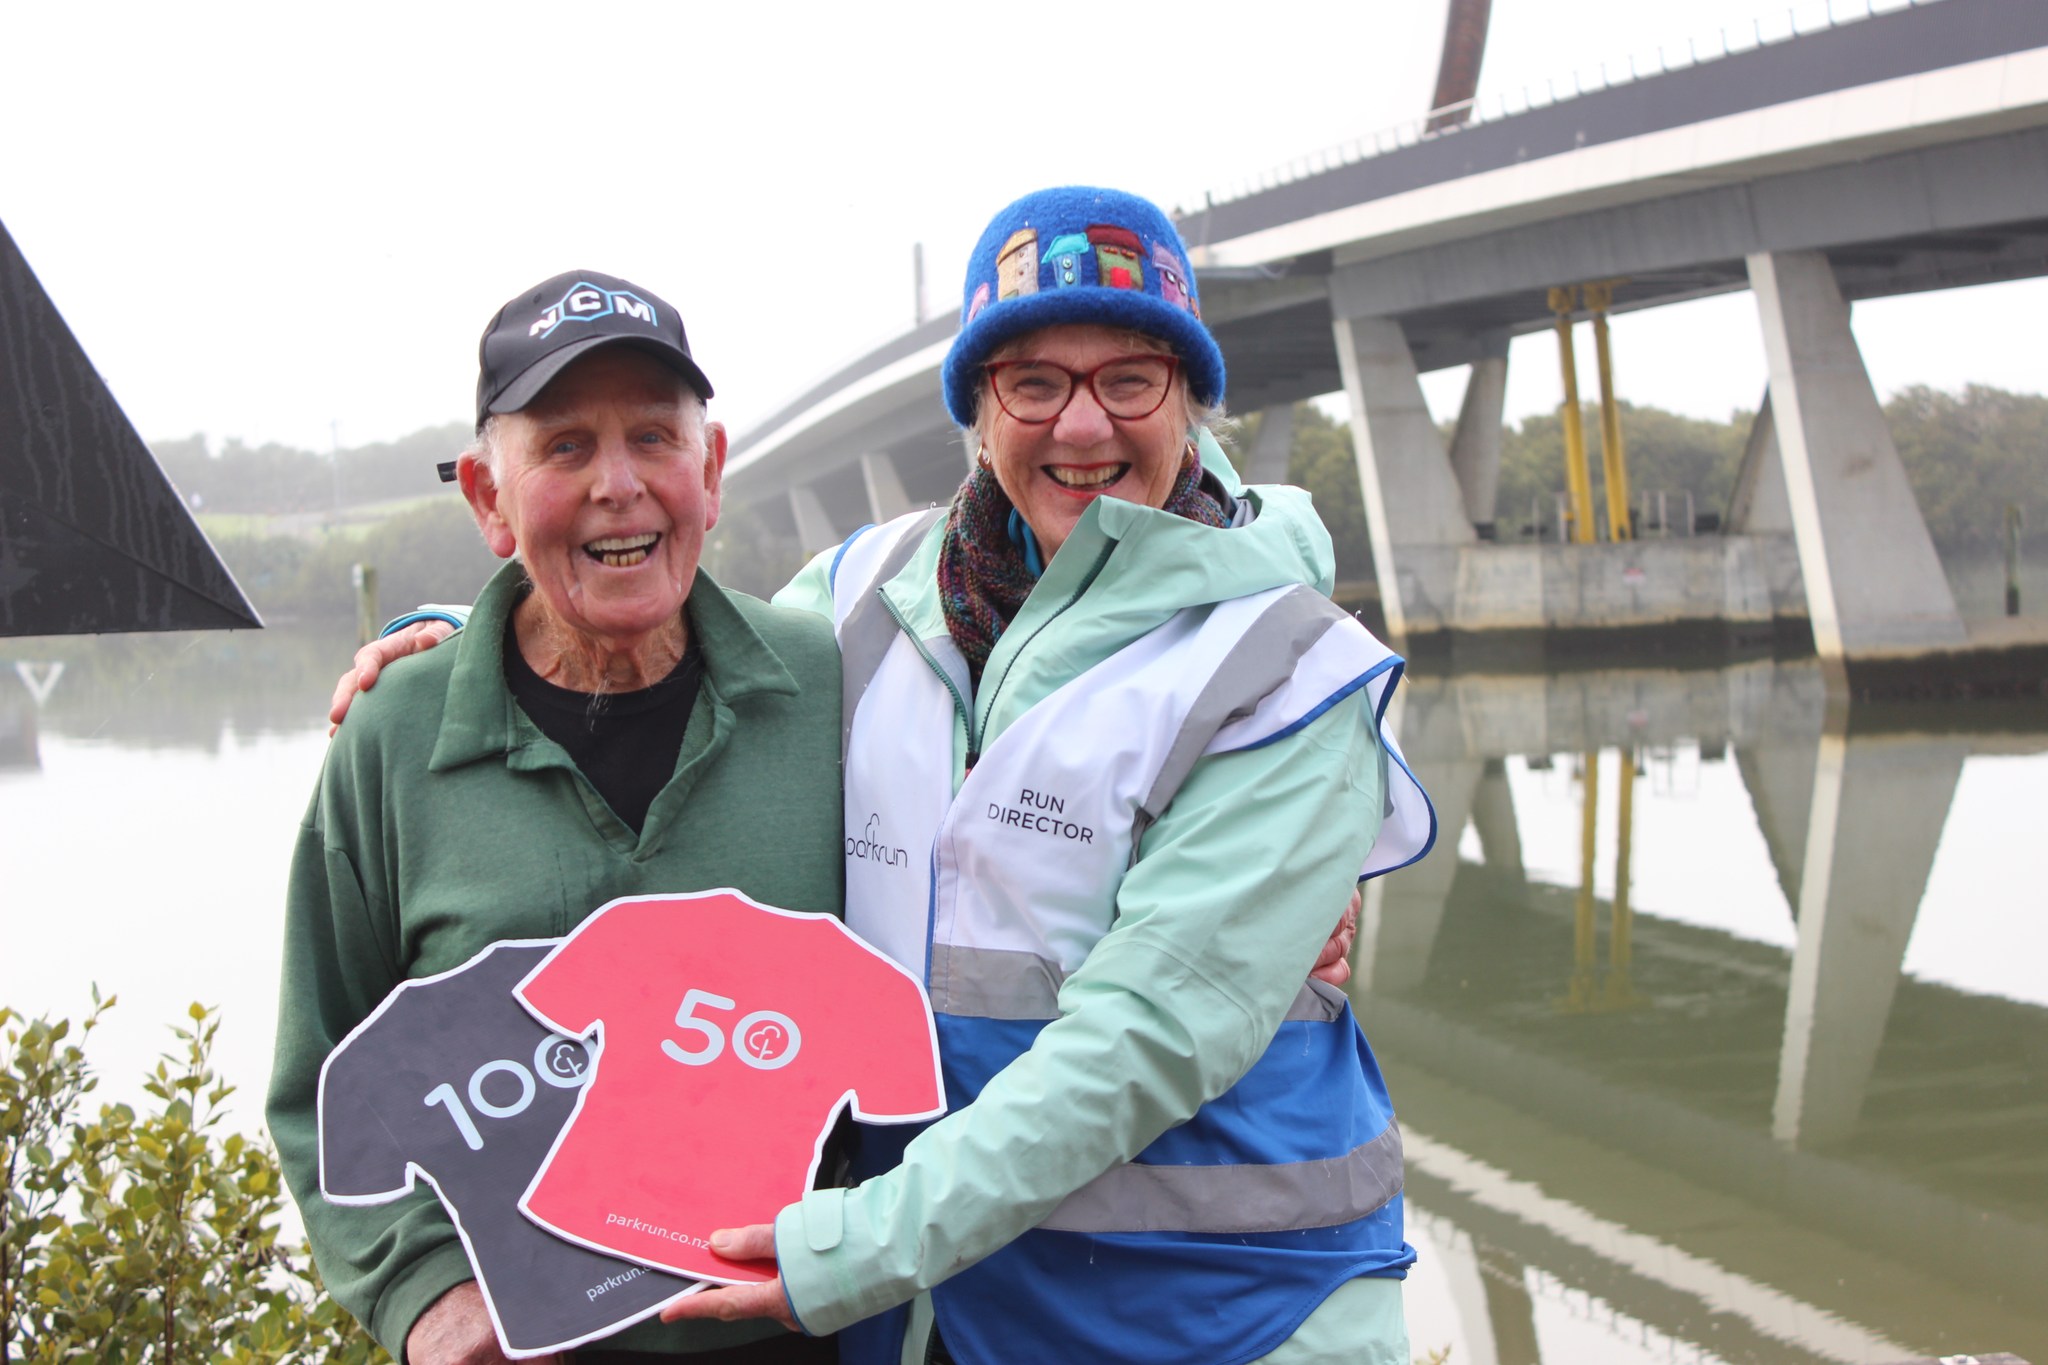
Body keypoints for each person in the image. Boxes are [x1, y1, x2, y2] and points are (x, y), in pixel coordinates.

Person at [339, 187, 1431, 1364]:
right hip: (941, 1314)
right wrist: (480, 640)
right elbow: (675, 654)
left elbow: (1145, 1039)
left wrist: (845, 1253)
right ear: (975, 408)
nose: (1081, 426)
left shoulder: (1286, 666)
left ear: (1189, 402)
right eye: (1032, 382)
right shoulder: (867, 592)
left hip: (1221, 1314)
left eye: (1130, 379)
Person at [267, 270, 849, 1364]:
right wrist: (422, 1295)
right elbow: (324, 1076)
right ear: (489, 498)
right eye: (567, 447)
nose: (618, 484)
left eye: (652, 438)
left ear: (710, 472)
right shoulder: (392, 740)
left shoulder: (842, 690)